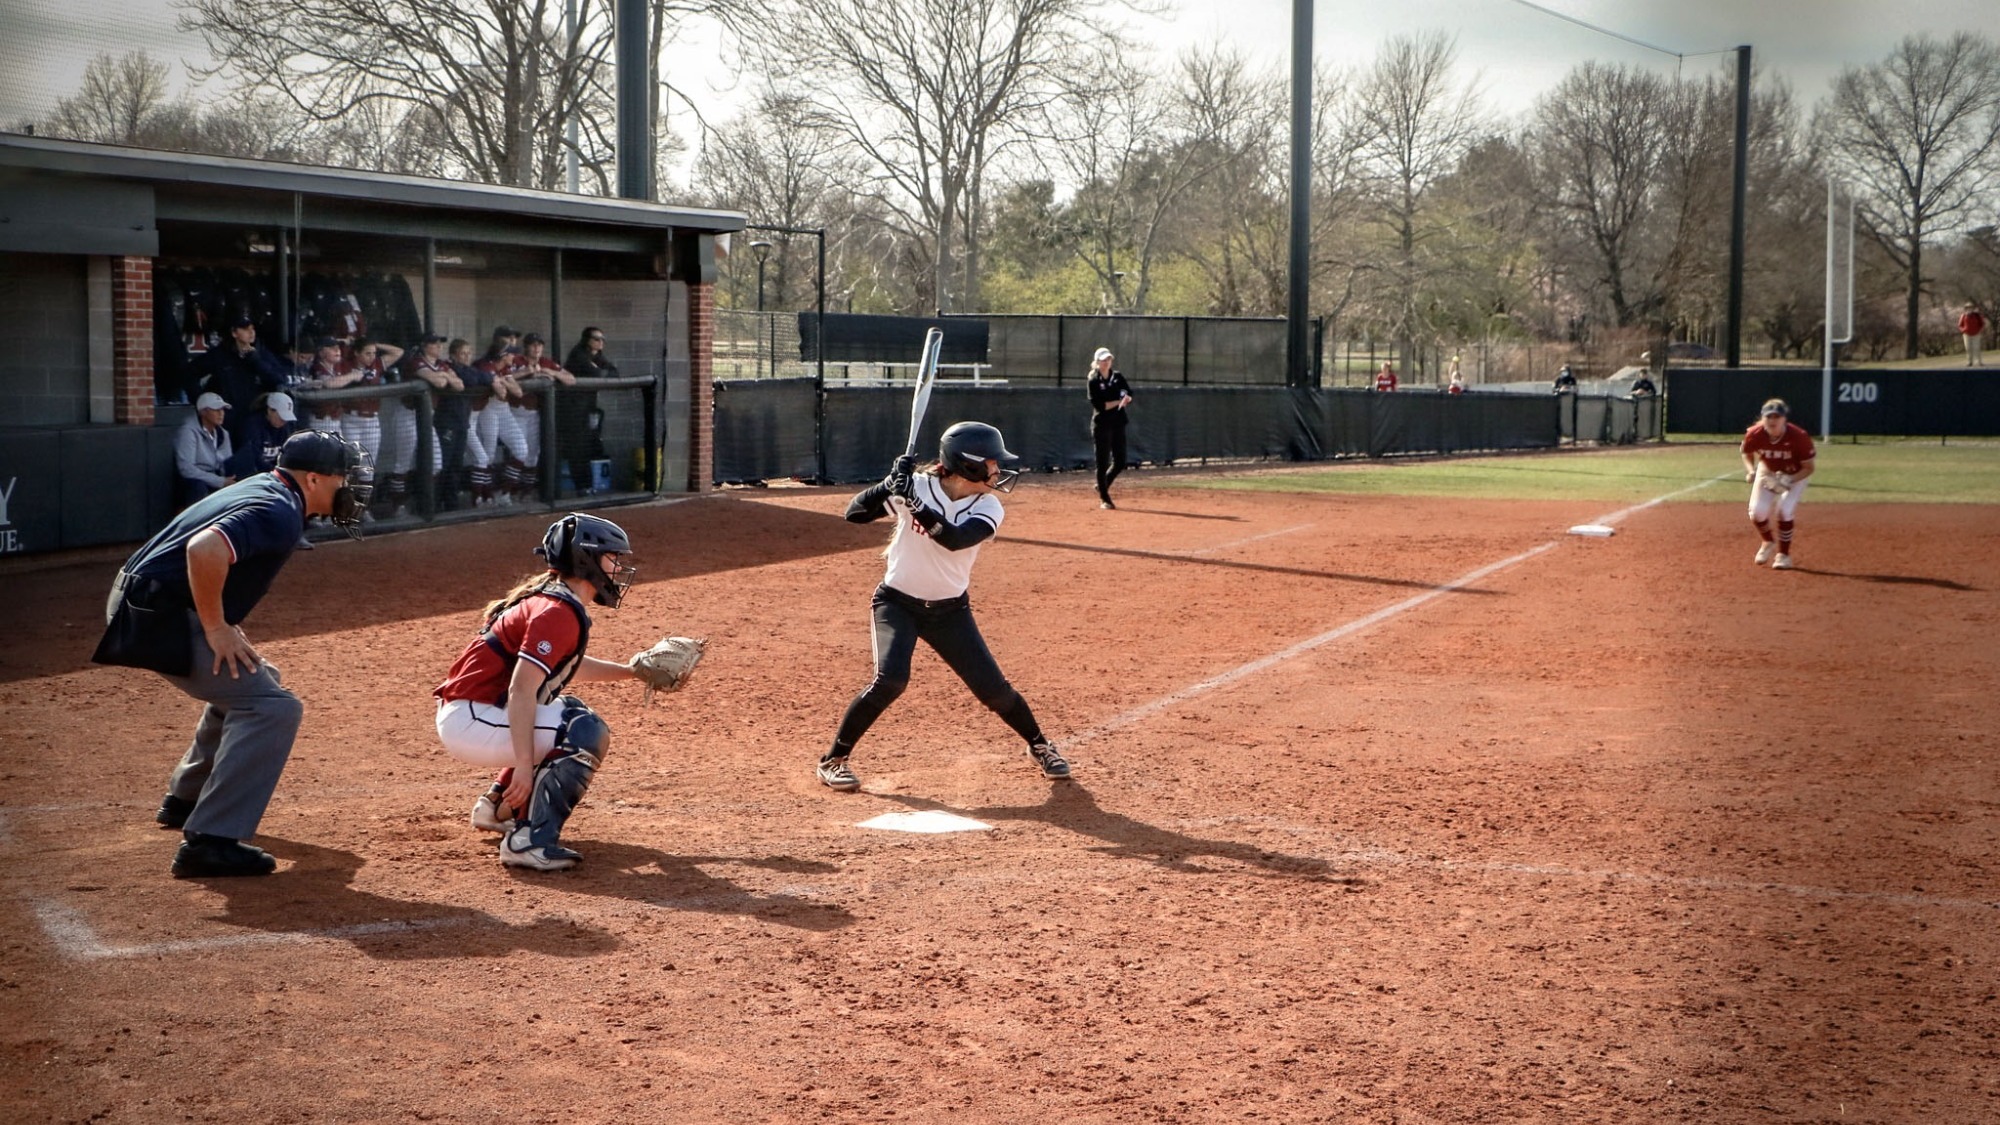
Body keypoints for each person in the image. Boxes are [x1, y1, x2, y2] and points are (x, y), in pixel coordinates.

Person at [91, 430, 372, 877]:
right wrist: (216, 626)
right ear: (314, 479)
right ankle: (210, 841)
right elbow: (203, 549)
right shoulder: (279, 509)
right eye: (342, 477)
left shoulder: (270, 488)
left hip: (147, 599)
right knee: (272, 708)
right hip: (152, 614)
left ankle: (186, 799)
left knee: (258, 679)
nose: (349, 488)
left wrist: (219, 623)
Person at [816, 421, 1069, 792]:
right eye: (992, 463)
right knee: (891, 680)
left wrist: (915, 505)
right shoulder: (917, 486)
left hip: (950, 612)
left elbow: (956, 539)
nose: (998, 470)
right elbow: (854, 513)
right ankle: (833, 760)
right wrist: (888, 485)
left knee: (994, 690)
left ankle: (1040, 746)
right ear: (969, 466)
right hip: (897, 603)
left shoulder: (988, 505)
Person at [433, 514, 644, 871]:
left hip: (472, 713)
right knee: (582, 731)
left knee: (568, 710)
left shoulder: (554, 602)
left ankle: (498, 808)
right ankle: (528, 842)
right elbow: (521, 690)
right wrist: (524, 769)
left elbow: (568, 666)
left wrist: (632, 672)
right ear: (586, 559)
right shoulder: (557, 612)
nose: (617, 566)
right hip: (472, 720)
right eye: (612, 556)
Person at [1740, 398, 1816, 570]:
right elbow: (1746, 452)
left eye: (1777, 417)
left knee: (1784, 510)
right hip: (1768, 470)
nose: (1773, 420)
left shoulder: (1799, 437)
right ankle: (1768, 541)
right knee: (1757, 512)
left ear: (1784, 419)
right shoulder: (1755, 433)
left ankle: (1783, 555)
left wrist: (1789, 480)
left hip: (1796, 473)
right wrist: (1751, 470)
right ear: (1763, 418)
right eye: (1769, 417)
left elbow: (1809, 468)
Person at [189, 316, 289, 446]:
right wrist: (202, 401)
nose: (251, 333)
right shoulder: (220, 355)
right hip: (227, 417)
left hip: (254, 417)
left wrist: (255, 360)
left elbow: (279, 379)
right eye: (245, 329)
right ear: (234, 333)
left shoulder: (261, 353)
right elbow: (190, 374)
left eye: (252, 328)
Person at [402, 333, 468, 510]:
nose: (439, 347)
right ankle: (398, 506)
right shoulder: (417, 362)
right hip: (407, 416)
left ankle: (428, 503)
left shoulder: (442, 364)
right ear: (425, 346)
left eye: (440, 344)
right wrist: (445, 376)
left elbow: (460, 385)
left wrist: (444, 376)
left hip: (427, 417)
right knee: (403, 463)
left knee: (436, 462)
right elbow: (438, 382)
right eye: (434, 344)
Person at [561, 326, 617, 494]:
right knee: (576, 448)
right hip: (570, 409)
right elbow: (596, 374)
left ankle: (588, 485)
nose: (600, 343)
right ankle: (582, 486)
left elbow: (614, 372)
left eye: (602, 339)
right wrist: (599, 371)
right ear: (587, 340)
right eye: (596, 339)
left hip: (587, 408)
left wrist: (600, 370)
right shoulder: (579, 354)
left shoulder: (597, 356)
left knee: (588, 446)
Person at [1086, 346, 1133, 509]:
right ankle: (1105, 498)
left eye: (1108, 359)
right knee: (1102, 462)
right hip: (1102, 425)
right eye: (1103, 360)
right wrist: (1116, 402)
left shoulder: (1117, 377)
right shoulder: (1093, 381)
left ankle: (1102, 485)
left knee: (1120, 461)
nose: (1106, 362)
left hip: (1118, 422)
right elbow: (1100, 405)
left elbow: (1128, 392)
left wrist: (1126, 398)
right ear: (1097, 362)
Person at [174, 392, 236, 506]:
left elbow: (227, 462)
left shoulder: (223, 433)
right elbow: (186, 469)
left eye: (222, 410)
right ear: (203, 412)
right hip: (195, 482)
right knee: (197, 487)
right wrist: (220, 481)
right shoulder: (188, 431)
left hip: (216, 477)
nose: (221, 413)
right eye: (216, 410)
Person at [1959, 302, 1987, 366]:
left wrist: (1979, 330)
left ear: (1973, 308)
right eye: (1968, 308)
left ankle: (1978, 362)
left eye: (1970, 307)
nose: (1969, 309)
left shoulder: (1977, 315)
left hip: (1976, 334)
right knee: (1968, 348)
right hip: (1967, 334)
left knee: (1976, 348)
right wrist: (1963, 330)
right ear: (1965, 309)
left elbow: (1982, 324)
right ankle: (1969, 362)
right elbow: (1960, 325)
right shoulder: (1963, 315)